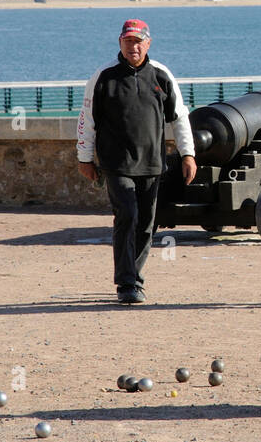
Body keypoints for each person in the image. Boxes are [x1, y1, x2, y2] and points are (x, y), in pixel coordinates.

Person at [76, 19, 196, 304]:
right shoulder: (104, 76)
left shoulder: (161, 75)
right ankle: (127, 283)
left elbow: (180, 117)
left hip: (152, 163)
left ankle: (135, 278)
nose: (134, 46)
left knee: (145, 223)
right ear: (120, 42)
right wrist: (84, 158)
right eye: (129, 41)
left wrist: (188, 154)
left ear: (148, 43)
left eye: (139, 41)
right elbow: (87, 119)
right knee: (127, 214)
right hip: (116, 163)